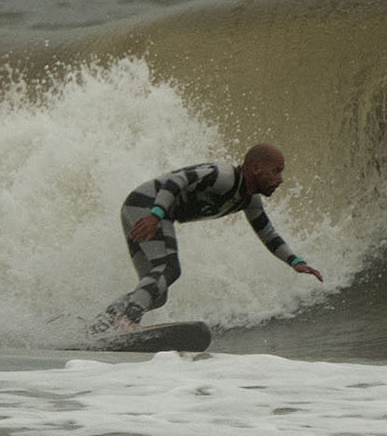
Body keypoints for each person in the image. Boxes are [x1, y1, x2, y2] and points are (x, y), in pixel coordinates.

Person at [91, 143, 322, 334]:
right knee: (168, 269)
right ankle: (127, 323)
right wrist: (155, 214)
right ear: (254, 169)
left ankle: (99, 328)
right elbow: (176, 180)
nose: (280, 179)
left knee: (156, 293)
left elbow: (268, 234)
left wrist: (295, 262)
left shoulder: (249, 200)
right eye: (276, 171)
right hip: (148, 206)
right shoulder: (223, 177)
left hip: (147, 211)